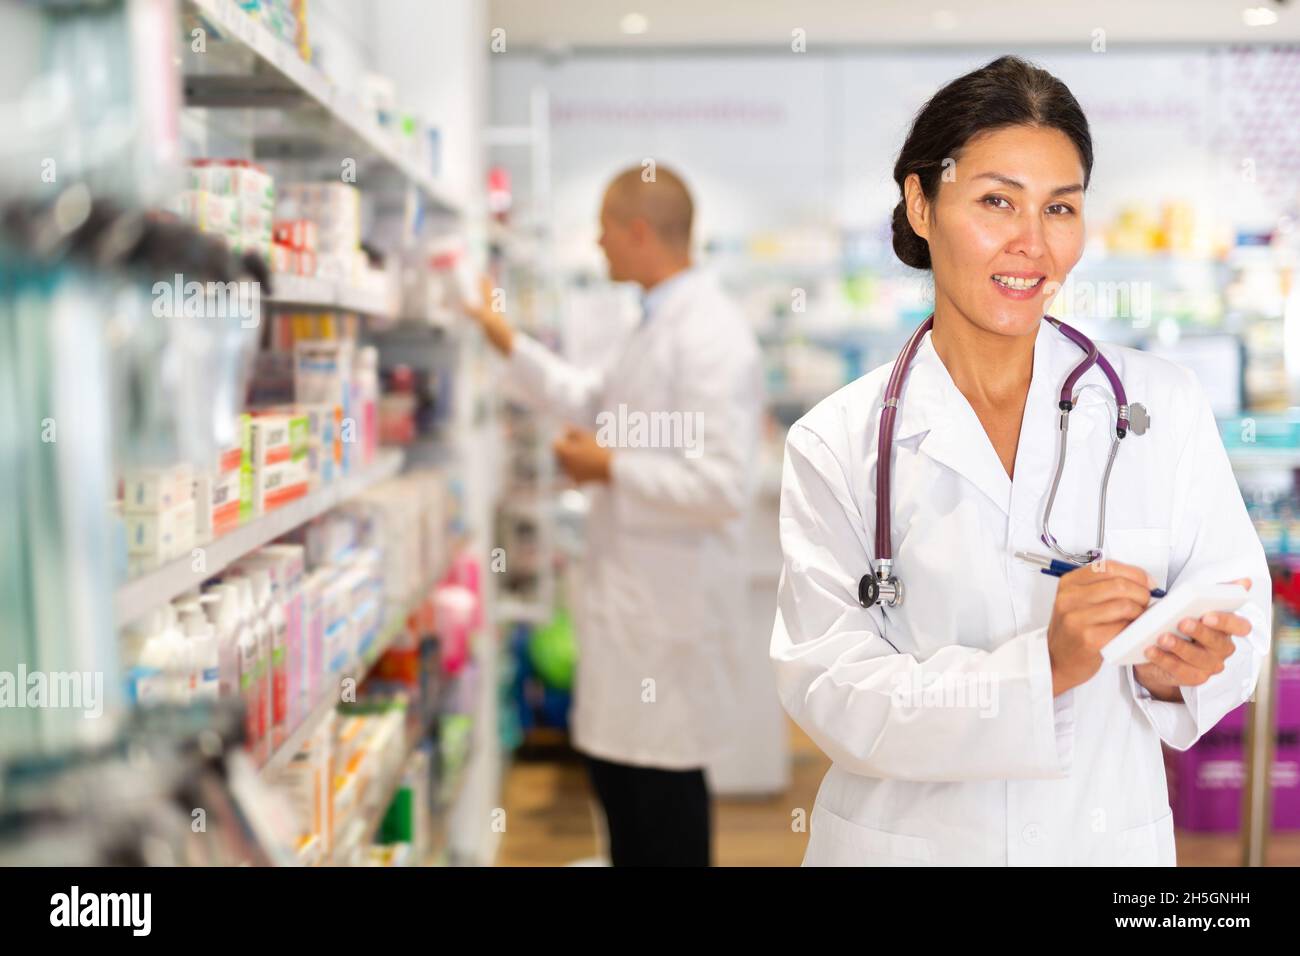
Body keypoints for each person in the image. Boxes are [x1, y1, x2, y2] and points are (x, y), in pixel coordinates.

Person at [770, 55, 1271, 866]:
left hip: (1103, 842)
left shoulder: (1160, 405)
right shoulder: (838, 441)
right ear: (921, 202)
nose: (1032, 245)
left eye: (1060, 208)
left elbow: (1239, 619)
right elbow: (830, 691)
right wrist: (1043, 668)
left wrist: (1183, 670)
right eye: (997, 201)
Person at [464, 164, 763, 866]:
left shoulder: (710, 336)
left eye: (603, 231)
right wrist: (505, 340)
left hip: (669, 618)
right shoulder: (653, 321)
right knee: (623, 793)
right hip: (632, 614)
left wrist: (608, 467)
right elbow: (593, 399)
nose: (597, 246)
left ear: (637, 232)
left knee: (663, 805)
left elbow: (722, 484)